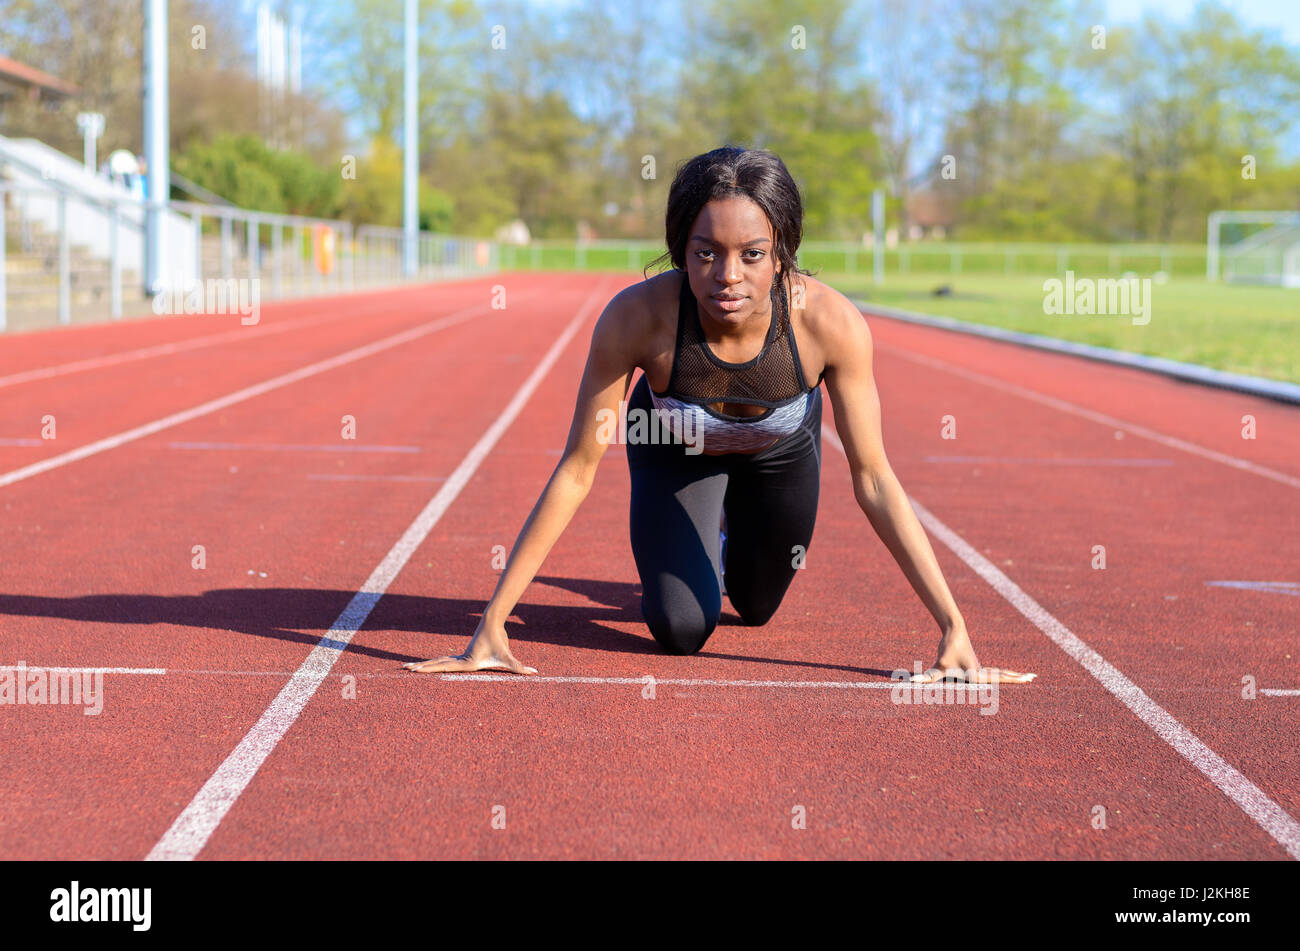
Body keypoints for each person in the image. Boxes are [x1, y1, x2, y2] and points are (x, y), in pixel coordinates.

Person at [406, 146, 1035, 685]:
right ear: (681, 247)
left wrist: (953, 627)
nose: (728, 276)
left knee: (757, 605)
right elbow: (577, 468)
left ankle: (732, 537)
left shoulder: (829, 325)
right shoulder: (636, 320)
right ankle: (700, 535)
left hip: (781, 453)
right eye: (706, 253)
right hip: (674, 450)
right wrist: (490, 622)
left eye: (753, 255)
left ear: (783, 250)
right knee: (681, 630)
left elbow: (872, 478)